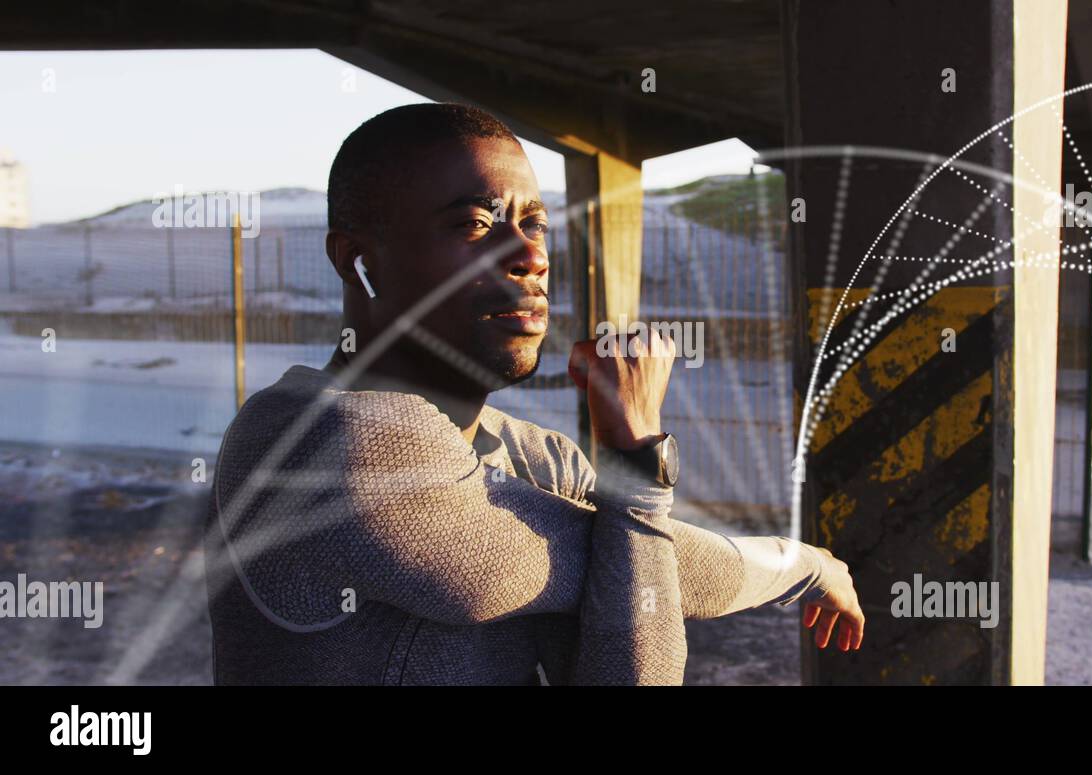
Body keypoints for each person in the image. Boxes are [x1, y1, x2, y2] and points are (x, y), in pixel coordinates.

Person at [203, 103, 864, 685]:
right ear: (358, 260)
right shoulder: (310, 438)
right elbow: (620, 564)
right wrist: (796, 560)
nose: (529, 254)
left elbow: (638, 624)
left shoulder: (536, 459)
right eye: (472, 223)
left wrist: (635, 476)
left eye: (535, 223)